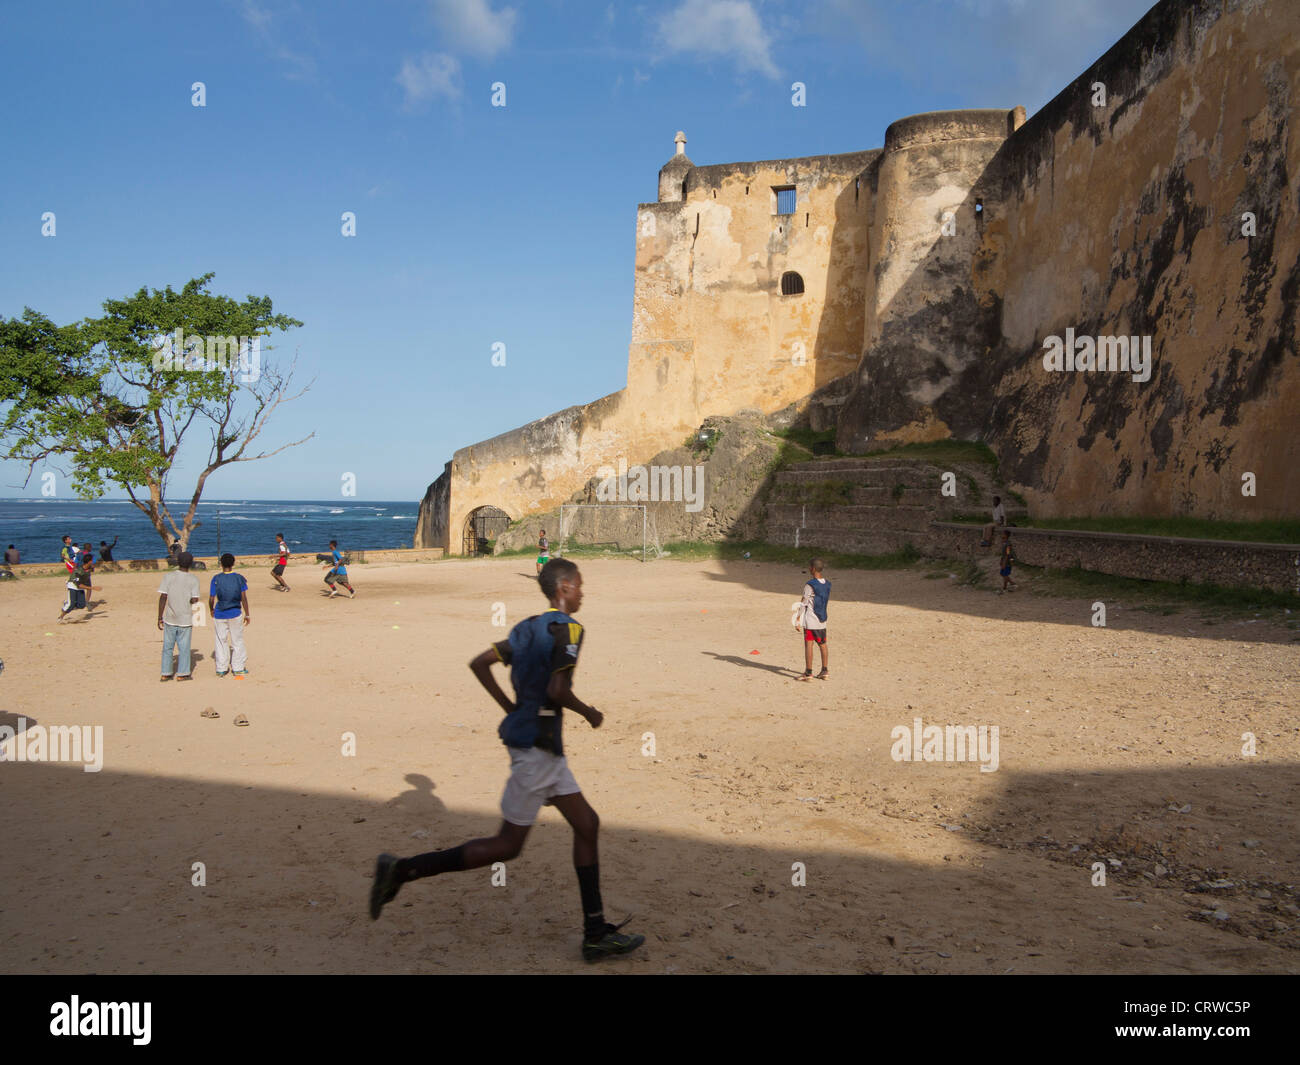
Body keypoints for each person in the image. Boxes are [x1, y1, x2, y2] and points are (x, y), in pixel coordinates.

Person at [369, 558, 644, 963]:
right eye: (580, 586)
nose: (583, 592)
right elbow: (556, 689)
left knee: (587, 824)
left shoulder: (525, 628)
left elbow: (480, 662)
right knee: (506, 846)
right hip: (537, 749)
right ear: (564, 587)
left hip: (539, 747)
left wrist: (510, 707)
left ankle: (595, 932)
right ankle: (402, 870)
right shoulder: (569, 628)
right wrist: (589, 713)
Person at [158, 551, 200, 681]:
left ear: (177, 562)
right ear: (191, 564)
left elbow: (163, 597)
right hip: (185, 619)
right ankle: (183, 674)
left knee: (167, 647)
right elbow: (194, 600)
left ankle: (166, 673)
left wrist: (159, 617)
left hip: (170, 618)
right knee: (184, 648)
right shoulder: (193, 579)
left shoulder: (168, 576)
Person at [209, 553, 251, 678]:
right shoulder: (239, 578)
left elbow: (212, 598)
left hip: (220, 612)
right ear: (233, 564)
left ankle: (221, 668)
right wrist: (247, 614)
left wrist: (211, 609)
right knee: (237, 640)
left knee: (221, 640)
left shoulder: (216, 578)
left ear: (221, 564)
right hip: (235, 613)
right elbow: (244, 598)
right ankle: (238, 667)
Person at [796, 557, 830, 681]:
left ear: (813, 569)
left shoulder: (810, 585)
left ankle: (808, 672)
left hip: (811, 620)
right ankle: (824, 671)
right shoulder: (828, 584)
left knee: (809, 644)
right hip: (822, 620)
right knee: (823, 644)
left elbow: (804, 602)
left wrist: (798, 618)